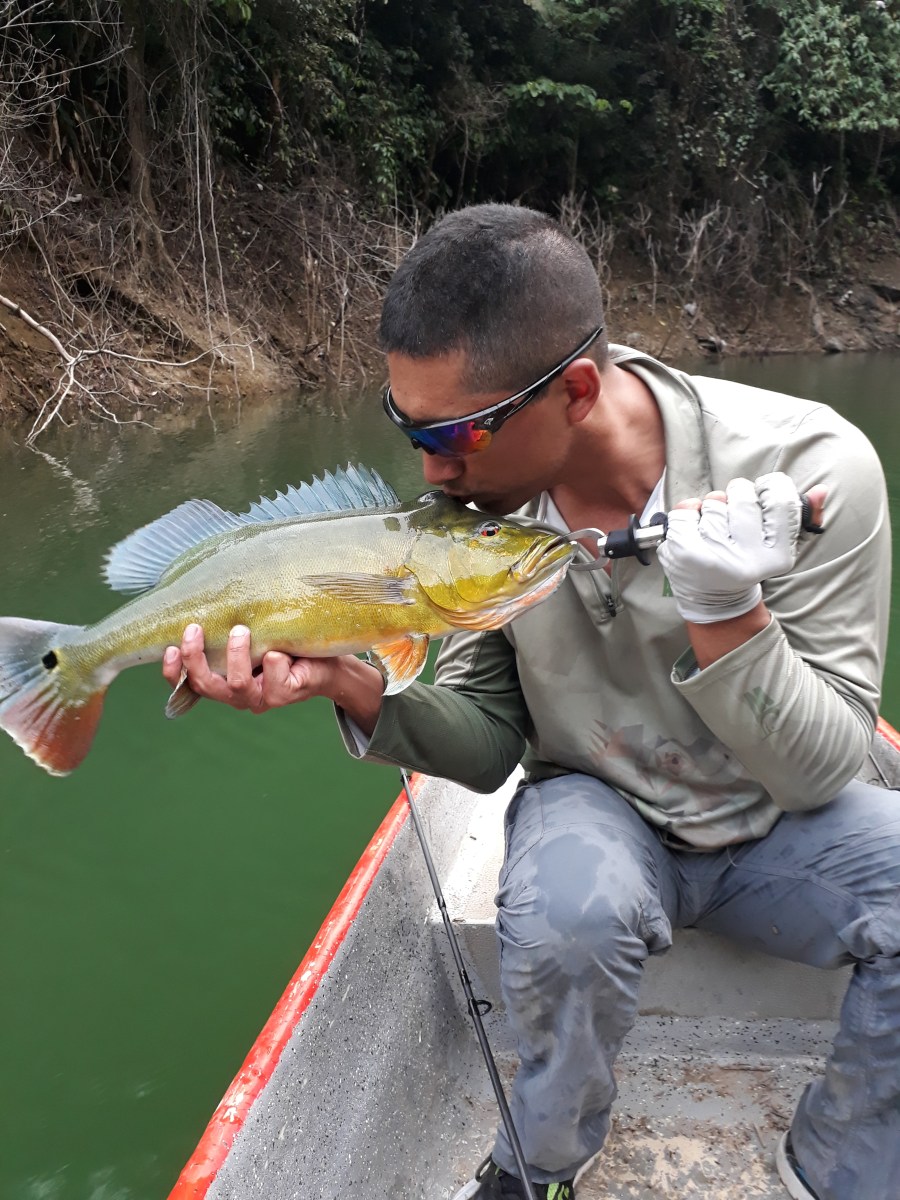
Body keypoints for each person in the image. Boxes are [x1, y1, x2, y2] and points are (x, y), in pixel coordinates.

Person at [163, 204, 898, 1200]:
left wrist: (726, 609)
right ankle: (541, 1167)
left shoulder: (817, 470)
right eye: (407, 428)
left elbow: (821, 770)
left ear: (578, 390)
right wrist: (354, 684)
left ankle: (840, 1165)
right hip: (592, 798)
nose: (428, 471)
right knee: (566, 918)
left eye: (455, 433)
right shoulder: (474, 521)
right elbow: (485, 745)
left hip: (777, 817)